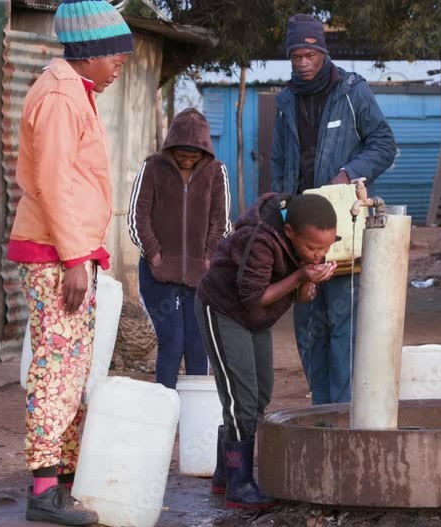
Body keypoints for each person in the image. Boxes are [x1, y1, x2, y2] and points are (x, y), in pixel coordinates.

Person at [6, 1, 133, 524]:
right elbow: (55, 184)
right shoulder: (60, 96)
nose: (120, 65)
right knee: (57, 367)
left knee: (73, 367)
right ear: (90, 52)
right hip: (59, 254)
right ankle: (43, 491)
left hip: (70, 251)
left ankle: (58, 480)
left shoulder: (74, 89)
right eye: (116, 57)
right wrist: (76, 257)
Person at [271, 14, 398, 405]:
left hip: (344, 226)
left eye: (309, 54)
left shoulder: (351, 92)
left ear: (323, 53)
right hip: (300, 228)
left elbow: (383, 143)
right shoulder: (285, 101)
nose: (302, 62)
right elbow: (278, 160)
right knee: (309, 322)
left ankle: (344, 412)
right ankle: (320, 410)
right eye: (296, 55)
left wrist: (349, 173)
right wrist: (280, 209)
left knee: (343, 320)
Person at [196, 193, 338, 509]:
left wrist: (310, 279)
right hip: (223, 310)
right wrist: (301, 275)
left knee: (260, 394)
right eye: (313, 248)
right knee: (240, 398)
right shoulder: (259, 240)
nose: (319, 254)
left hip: (256, 319)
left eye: (325, 249)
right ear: (289, 233)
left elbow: (300, 299)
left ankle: (225, 473)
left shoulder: (304, 244)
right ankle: (239, 484)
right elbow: (254, 297)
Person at [128, 108, 231, 390]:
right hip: (158, 276)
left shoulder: (216, 172)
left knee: (198, 347)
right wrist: (155, 256)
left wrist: (209, 258)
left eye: (193, 155)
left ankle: (193, 420)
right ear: (171, 148)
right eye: (181, 154)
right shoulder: (152, 168)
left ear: (204, 152)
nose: (186, 160)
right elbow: (138, 217)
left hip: (203, 278)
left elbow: (221, 222)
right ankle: (164, 412)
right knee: (171, 343)